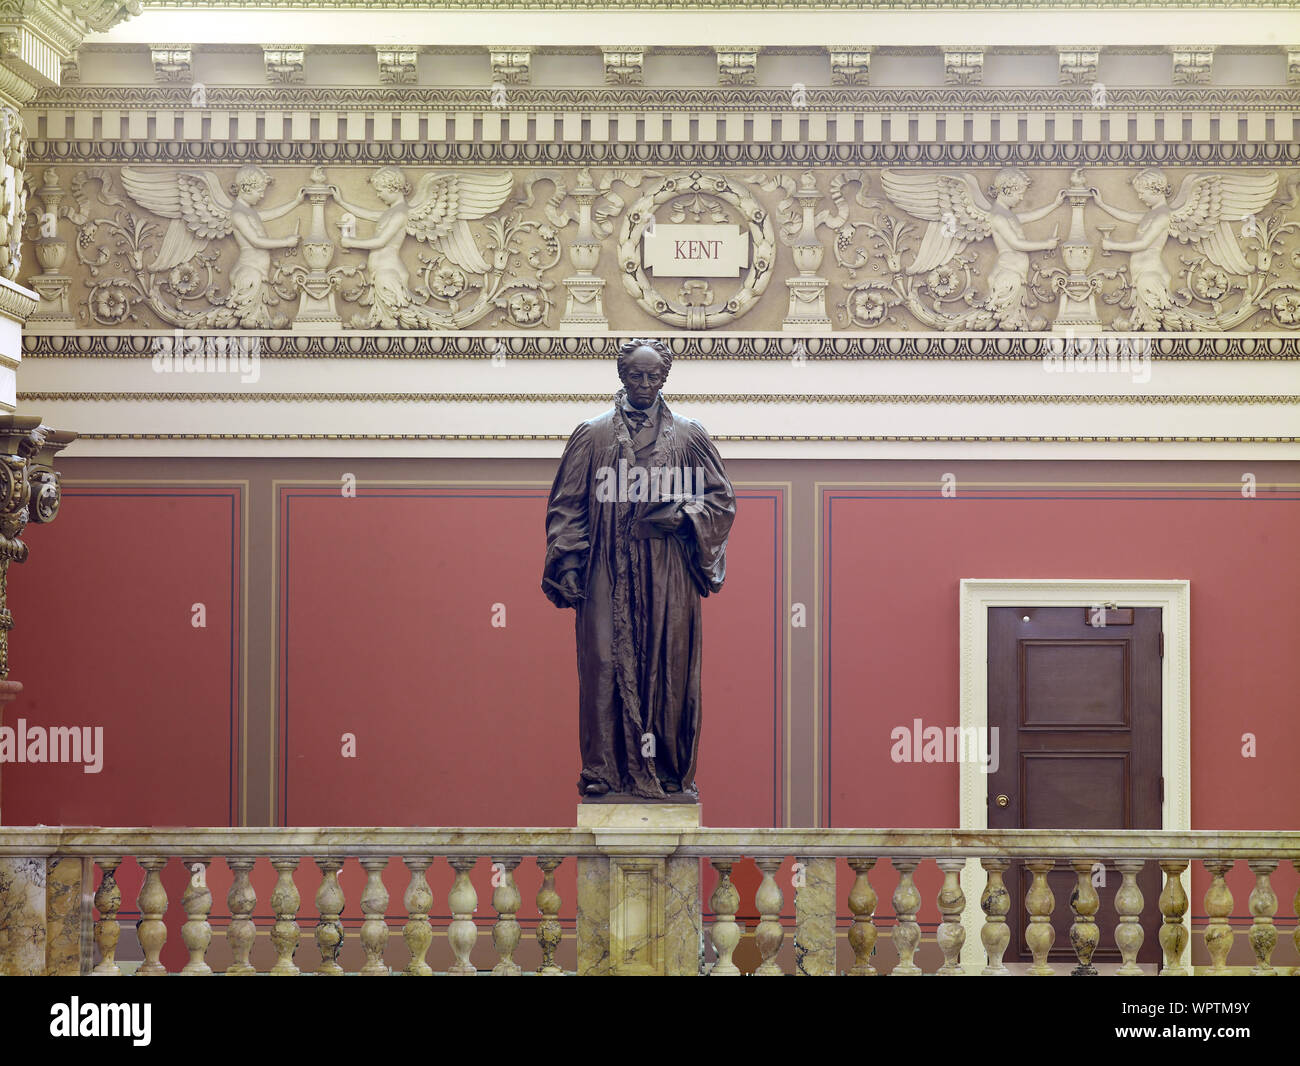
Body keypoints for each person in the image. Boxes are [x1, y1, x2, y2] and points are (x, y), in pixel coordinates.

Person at [542, 338, 736, 800]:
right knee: (604, 663)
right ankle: (604, 772)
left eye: (654, 376)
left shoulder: (690, 436)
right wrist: (569, 561)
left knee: (667, 666)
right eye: (636, 376)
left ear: (664, 378)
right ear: (622, 376)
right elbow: (567, 506)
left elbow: (721, 501)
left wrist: (684, 514)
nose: (645, 384)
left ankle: (669, 773)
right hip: (606, 570)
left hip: (668, 572)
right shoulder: (593, 435)